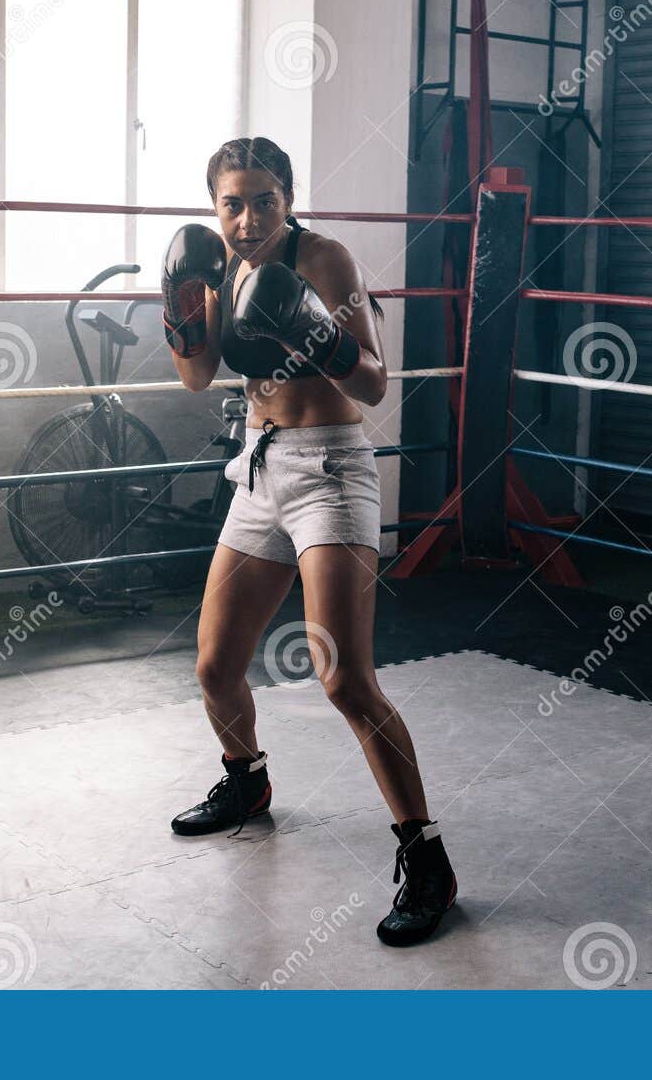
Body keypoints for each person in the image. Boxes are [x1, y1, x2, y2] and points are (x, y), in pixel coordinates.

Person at [158, 136, 456, 947]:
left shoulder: (325, 260)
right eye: (232, 203)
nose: (247, 218)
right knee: (215, 664)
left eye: (262, 199)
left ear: (287, 197)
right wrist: (186, 313)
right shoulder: (216, 264)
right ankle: (244, 783)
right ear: (213, 206)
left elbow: (373, 383)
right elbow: (196, 377)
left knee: (344, 677)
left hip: (330, 469)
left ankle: (426, 858)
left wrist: (317, 335)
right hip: (258, 470)